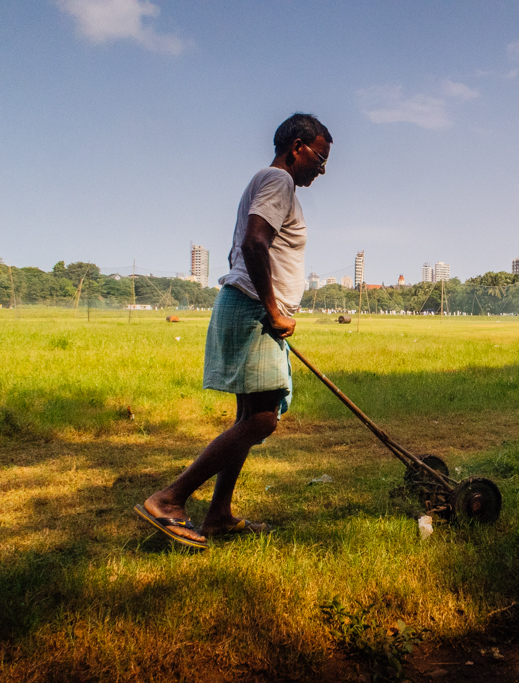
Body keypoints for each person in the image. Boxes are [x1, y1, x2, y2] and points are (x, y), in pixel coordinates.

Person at [134, 113, 332, 550]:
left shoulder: (267, 184)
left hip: (249, 308)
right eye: (319, 157)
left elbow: (243, 246)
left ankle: (218, 514)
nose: (322, 168)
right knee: (262, 420)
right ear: (297, 146)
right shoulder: (278, 182)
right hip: (254, 312)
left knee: (248, 417)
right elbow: (253, 243)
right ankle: (169, 499)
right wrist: (273, 309)